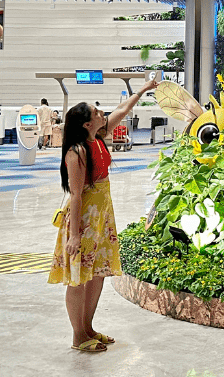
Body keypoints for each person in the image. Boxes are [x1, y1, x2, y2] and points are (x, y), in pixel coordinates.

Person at [48, 79, 158, 353]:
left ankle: (88, 327)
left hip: (101, 217)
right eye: (96, 112)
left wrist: (143, 90)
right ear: (86, 124)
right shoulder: (76, 152)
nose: (102, 114)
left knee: (96, 274)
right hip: (84, 220)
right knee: (79, 277)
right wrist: (74, 235)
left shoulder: (96, 138)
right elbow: (75, 195)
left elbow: (122, 110)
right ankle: (78, 336)